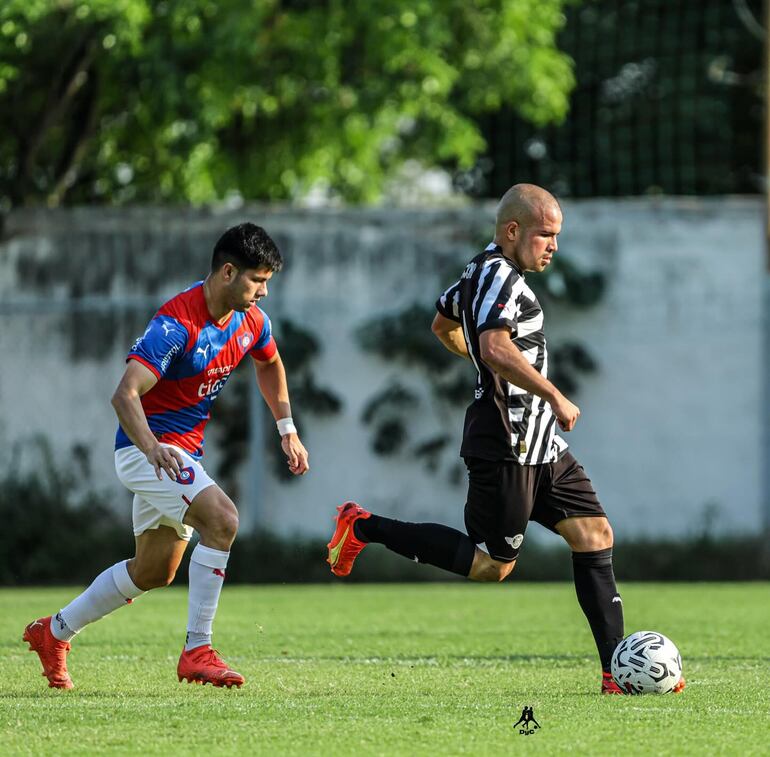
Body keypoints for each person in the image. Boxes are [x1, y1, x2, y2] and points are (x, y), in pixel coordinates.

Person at [326, 184, 683, 695]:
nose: (553, 246)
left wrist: (488, 364)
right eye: (545, 235)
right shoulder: (497, 275)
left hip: (544, 447)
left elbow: (443, 324)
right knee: (493, 565)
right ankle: (363, 526)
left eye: (557, 236)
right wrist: (551, 393)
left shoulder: (479, 271)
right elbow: (493, 345)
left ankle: (614, 673)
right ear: (512, 230)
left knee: (595, 535)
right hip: (508, 442)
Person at [23, 223, 309, 689]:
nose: (263, 292)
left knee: (154, 570)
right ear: (228, 272)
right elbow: (125, 395)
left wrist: (287, 429)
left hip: (181, 456)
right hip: (145, 452)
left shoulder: (251, 321)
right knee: (223, 520)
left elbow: (269, 362)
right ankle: (198, 649)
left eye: (267, 283)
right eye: (258, 281)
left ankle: (53, 632)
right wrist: (153, 448)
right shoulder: (175, 325)